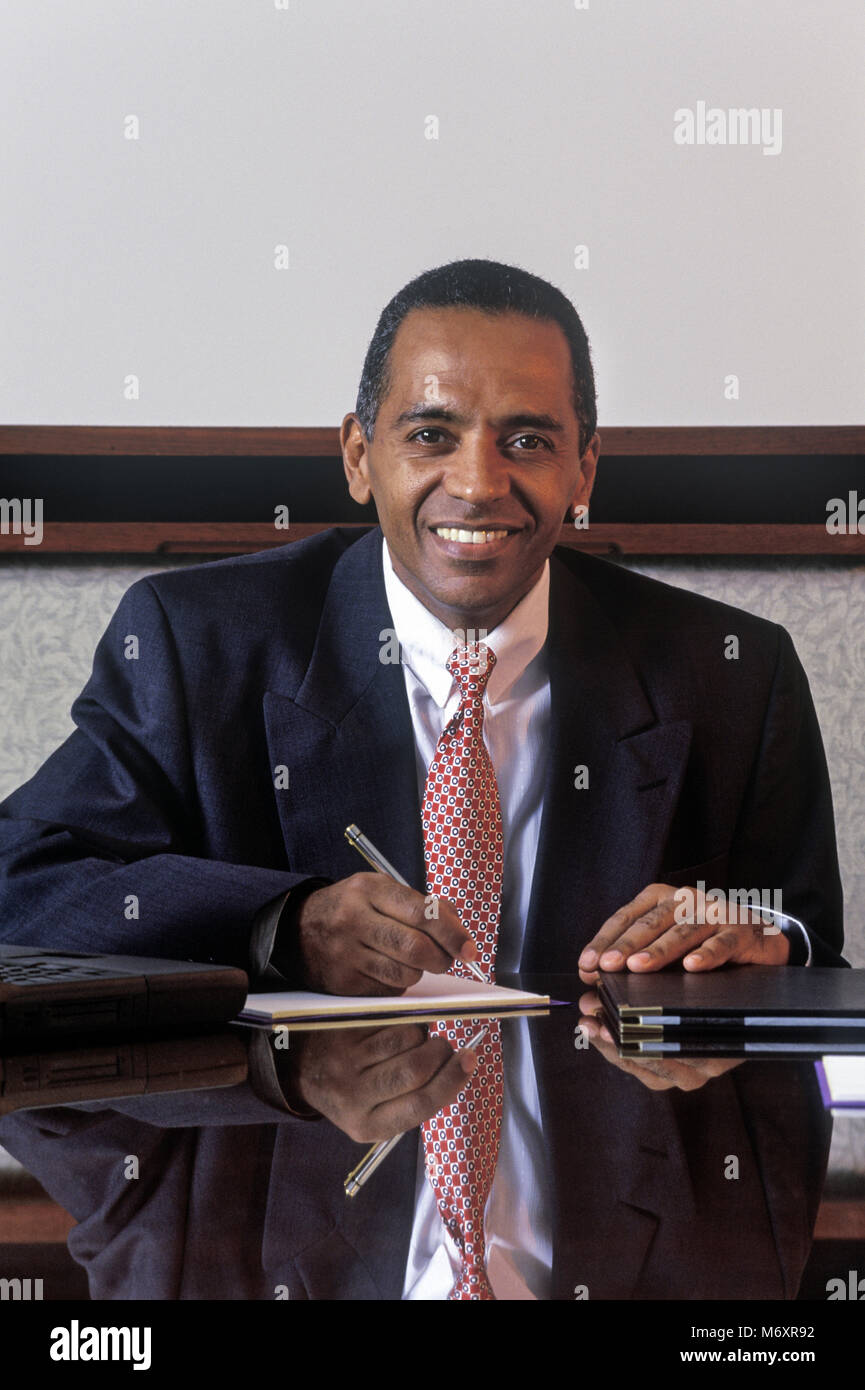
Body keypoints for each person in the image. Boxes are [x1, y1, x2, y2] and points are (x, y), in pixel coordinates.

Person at [0, 259, 844, 1300]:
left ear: (586, 467)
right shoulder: (194, 643)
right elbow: (23, 887)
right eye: (431, 434)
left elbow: (799, 927)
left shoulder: (728, 672)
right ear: (359, 456)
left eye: (528, 439)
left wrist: (746, 934)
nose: (480, 482)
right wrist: (287, 924)